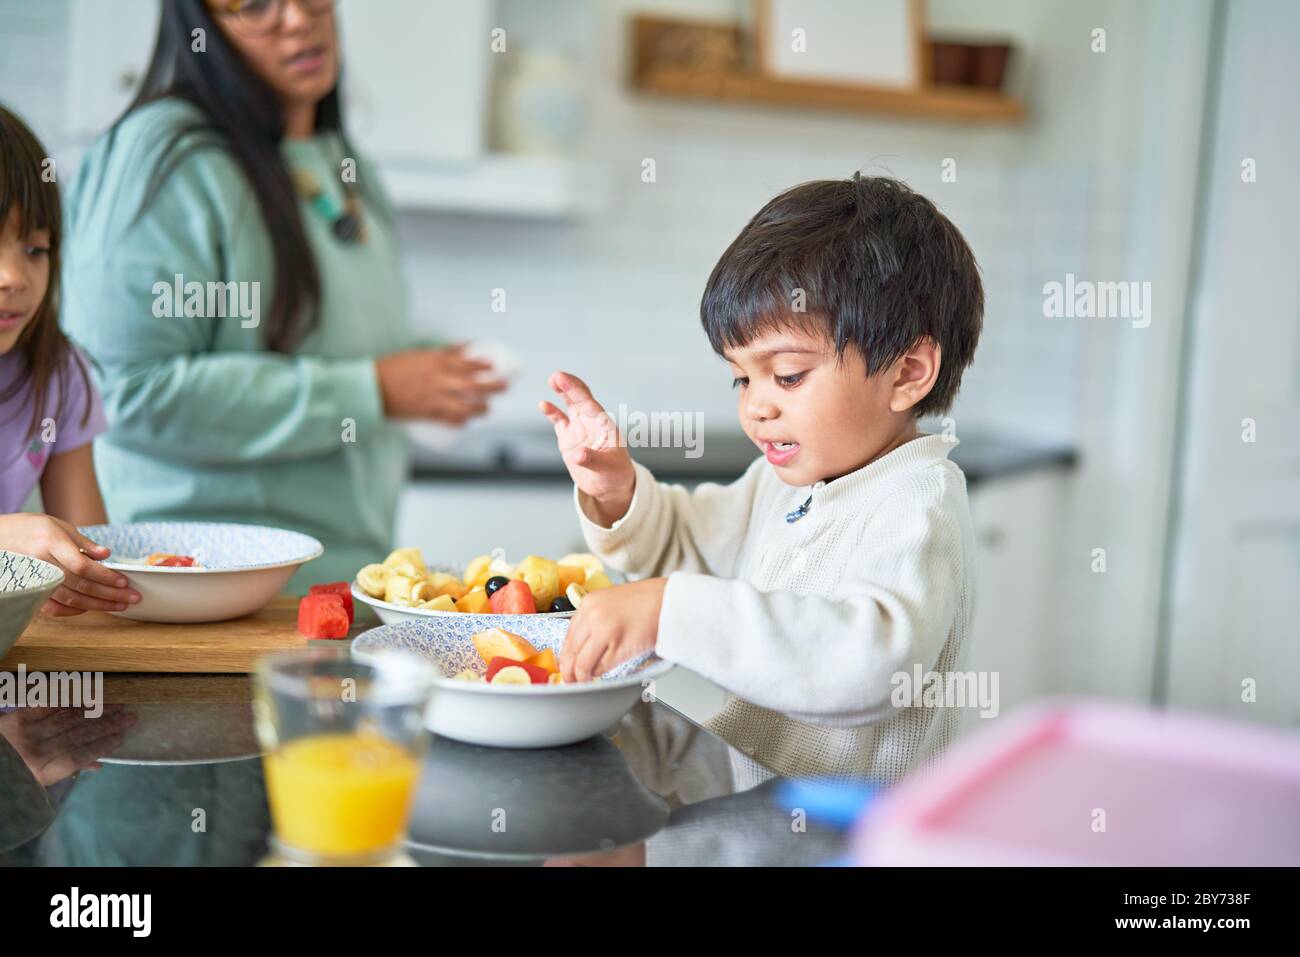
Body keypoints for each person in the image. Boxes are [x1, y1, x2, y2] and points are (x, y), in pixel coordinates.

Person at [541, 174, 982, 789]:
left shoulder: (915, 501)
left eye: (789, 375)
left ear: (908, 372)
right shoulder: (783, 482)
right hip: (755, 815)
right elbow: (685, 545)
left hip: (848, 840)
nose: (756, 407)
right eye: (741, 379)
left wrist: (668, 609)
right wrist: (617, 490)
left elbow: (868, 663)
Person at [60, 0, 505, 584]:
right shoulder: (161, 159)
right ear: (199, 25)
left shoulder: (344, 165)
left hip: (338, 583)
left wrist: (428, 368)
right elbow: (128, 390)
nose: (298, 18)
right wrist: (374, 389)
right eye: (254, 5)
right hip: (207, 592)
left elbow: (330, 338)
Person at [0, 104, 139, 616]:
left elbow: (91, 553)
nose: (14, 276)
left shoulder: (58, 375)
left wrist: (82, 581)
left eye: (35, 248)